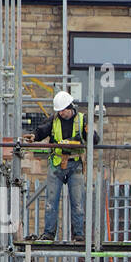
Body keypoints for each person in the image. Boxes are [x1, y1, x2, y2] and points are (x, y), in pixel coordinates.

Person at [26, 91, 99, 242]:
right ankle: (49, 233)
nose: (61, 113)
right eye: (59, 111)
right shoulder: (54, 119)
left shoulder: (81, 120)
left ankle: (78, 235)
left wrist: (89, 132)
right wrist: (34, 136)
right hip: (56, 164)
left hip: (75, 164)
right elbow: (42, 130)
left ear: (70, 107)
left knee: (77, 203)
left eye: (63, 110)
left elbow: (94, 140)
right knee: (51, 202)